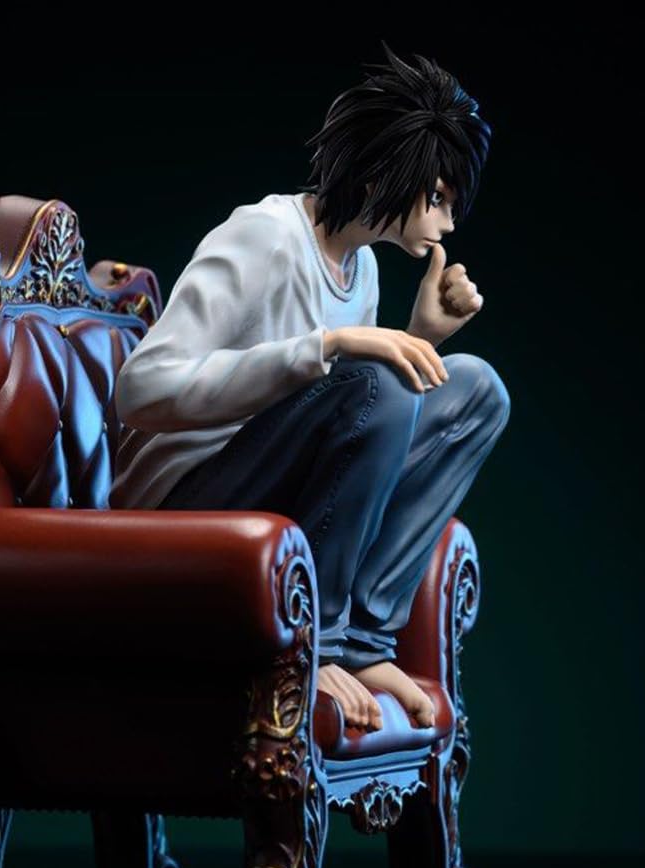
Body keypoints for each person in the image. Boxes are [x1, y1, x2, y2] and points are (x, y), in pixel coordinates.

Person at [110, 42, 509, 732]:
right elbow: (141, 390)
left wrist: (420, 335)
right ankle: (312, 640)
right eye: (437, 198)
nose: (447, 222)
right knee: (376, 379)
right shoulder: (263, 235)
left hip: (272, 490)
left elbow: (352, 431)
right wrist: (325, 346)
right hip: (185, 506)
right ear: (383, 173)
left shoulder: (362, 268)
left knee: (477, 390)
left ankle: (361, 642)